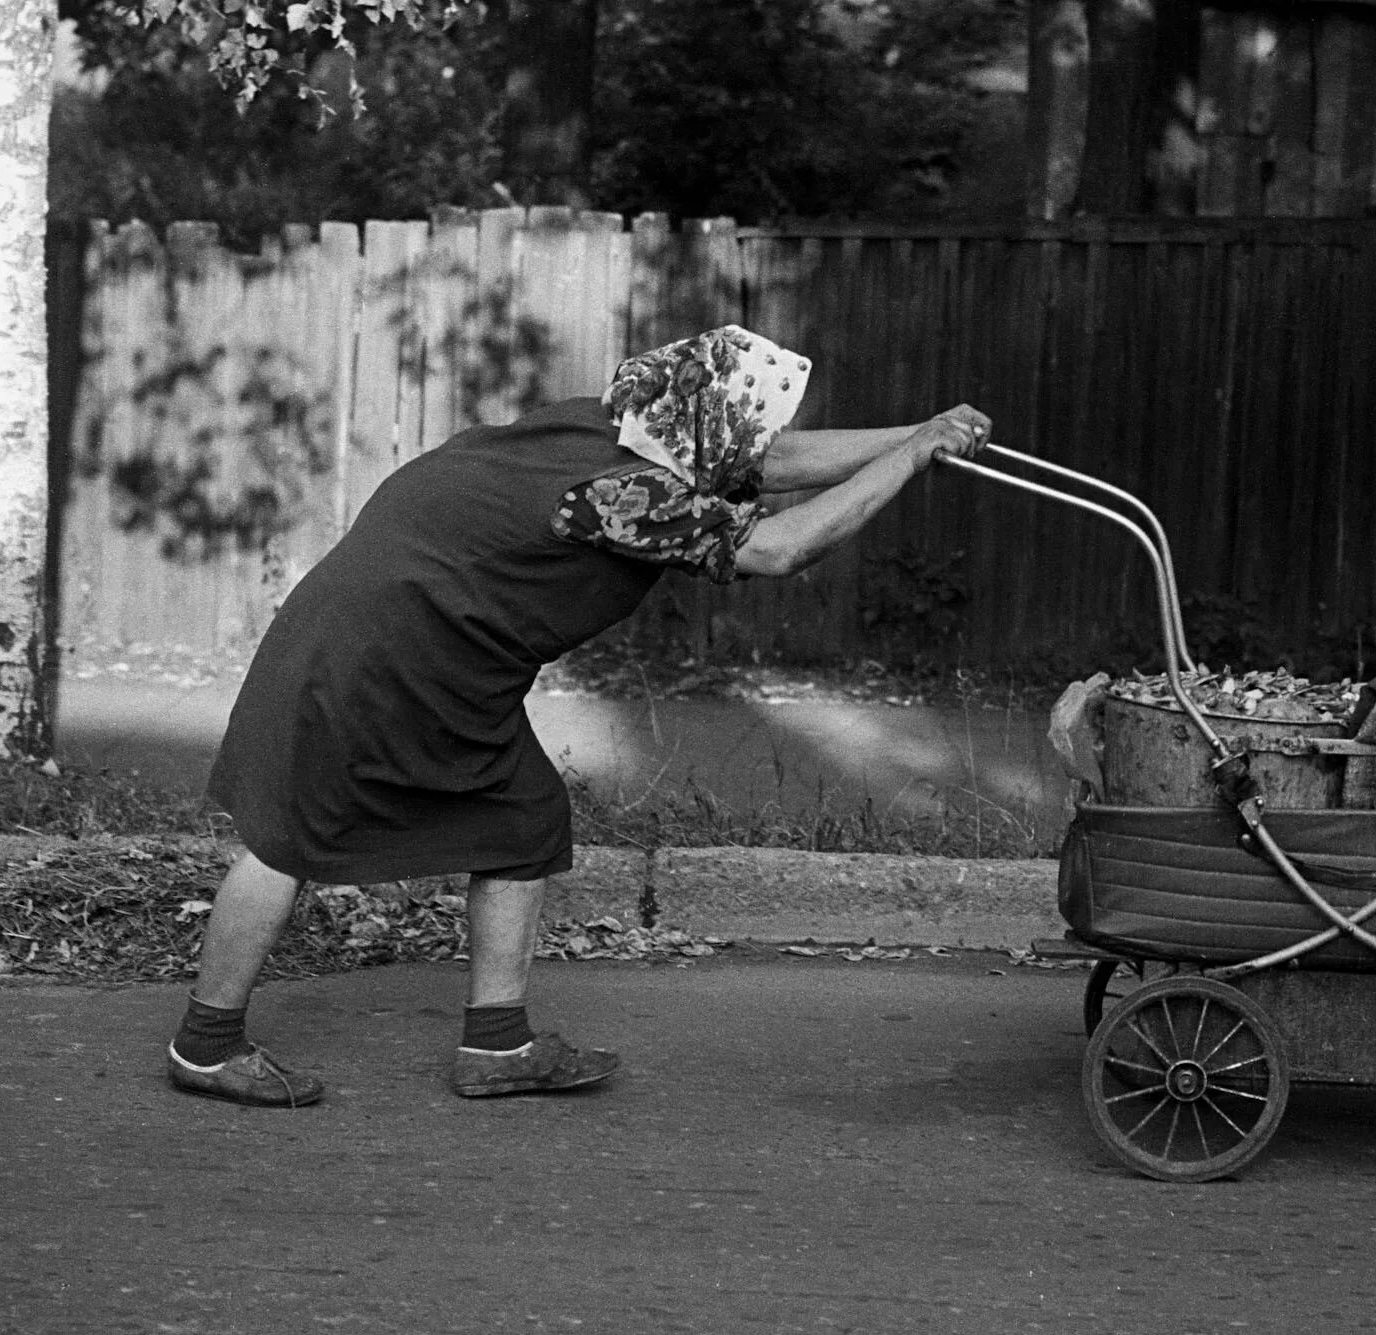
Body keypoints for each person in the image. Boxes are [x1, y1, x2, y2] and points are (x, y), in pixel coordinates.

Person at [166, 325, 990, 1107]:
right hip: (378, 655)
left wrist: (918, 430)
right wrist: (912, 455)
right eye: (745, 430)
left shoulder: (621, 426)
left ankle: (497, 1044)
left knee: (519, 817)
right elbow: (780, 547)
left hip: (427, 650)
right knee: (288, 835)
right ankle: (206, 1044)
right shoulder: (617, 492)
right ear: (707, 425)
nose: (754, 448)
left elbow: (764, 461)